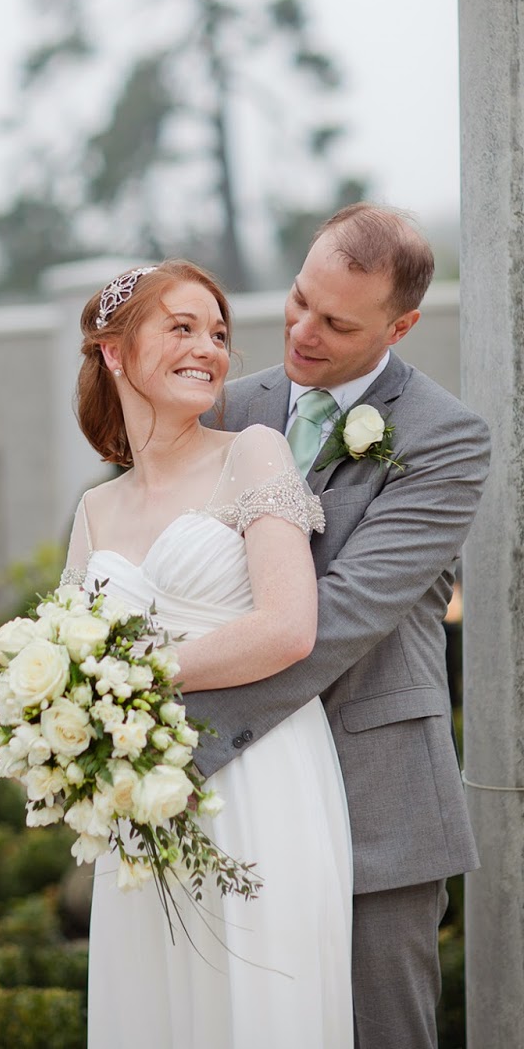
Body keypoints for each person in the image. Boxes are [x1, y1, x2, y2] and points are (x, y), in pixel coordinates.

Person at [186, 204, 490, 1049]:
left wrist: (164, 723)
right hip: (234, 806)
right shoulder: (225, 406)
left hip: (377, 802)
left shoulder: (446, 437)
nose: (302, 331)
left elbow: (343, 613)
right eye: (297, 300)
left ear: (402, 324)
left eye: (337, 321)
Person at [62, 260, 354, 1047]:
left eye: (219, 332)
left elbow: (289, 625)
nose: (209, 348)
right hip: (144, 811)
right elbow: (68, 669)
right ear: (115, 353)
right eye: (181, 327)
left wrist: (137, 678)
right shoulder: (93, 510)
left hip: (261, 783)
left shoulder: (252, 452)